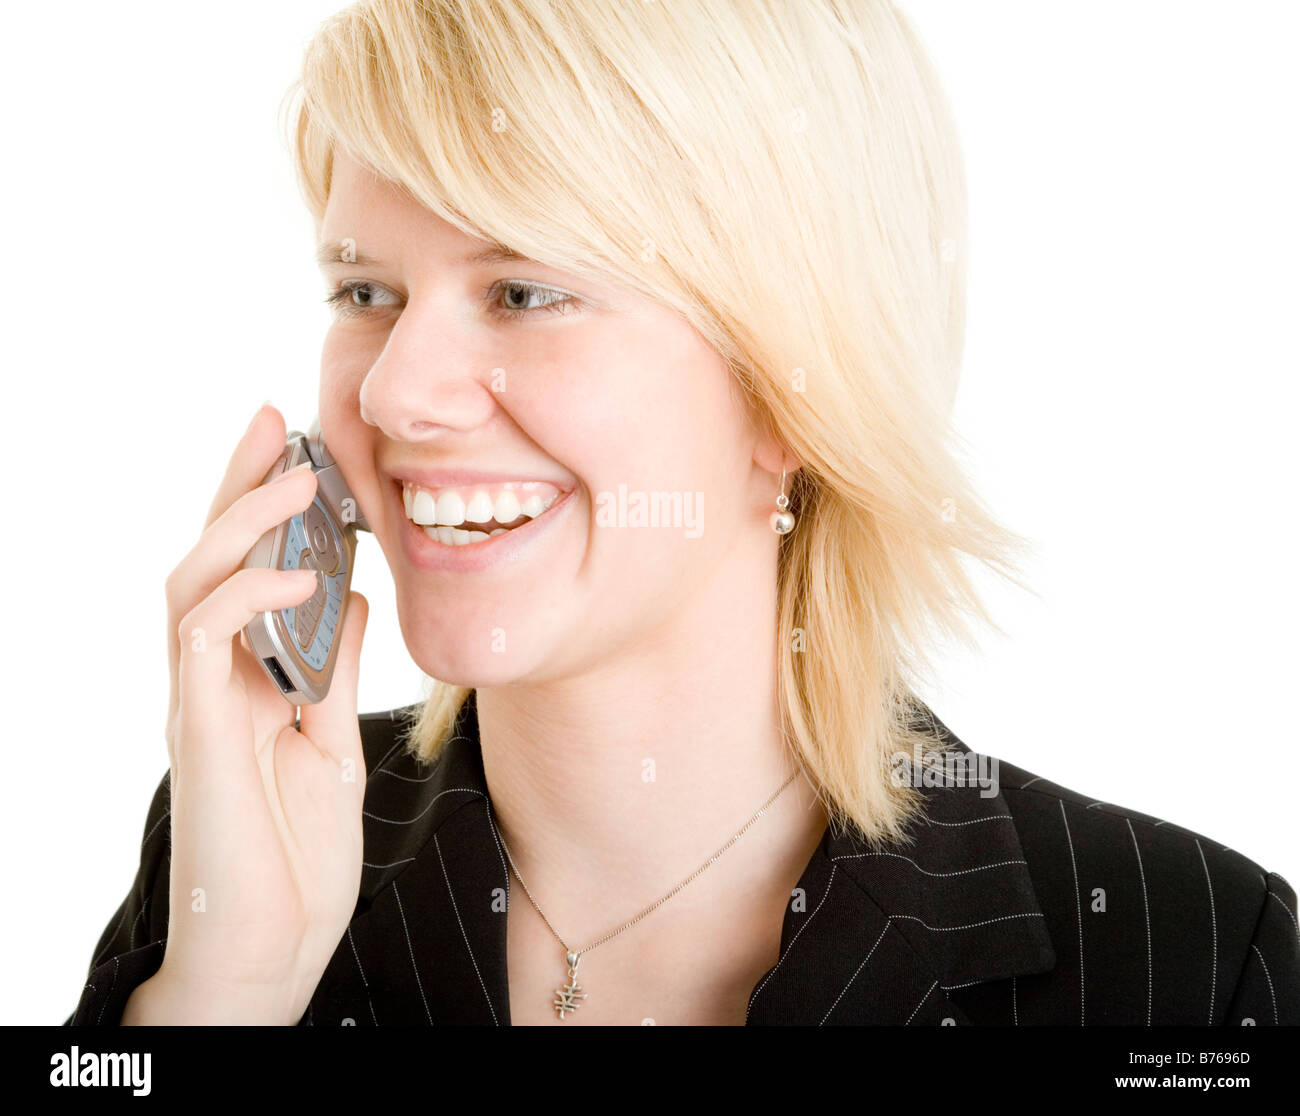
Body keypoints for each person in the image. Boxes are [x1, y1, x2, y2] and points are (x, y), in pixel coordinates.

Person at [67, 0, 1298, 1026]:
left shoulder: (1187, 955)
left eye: (523, 290)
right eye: (364, 289)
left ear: (793, 391)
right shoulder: (233, 853)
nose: (393, 393)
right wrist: (227, 990)